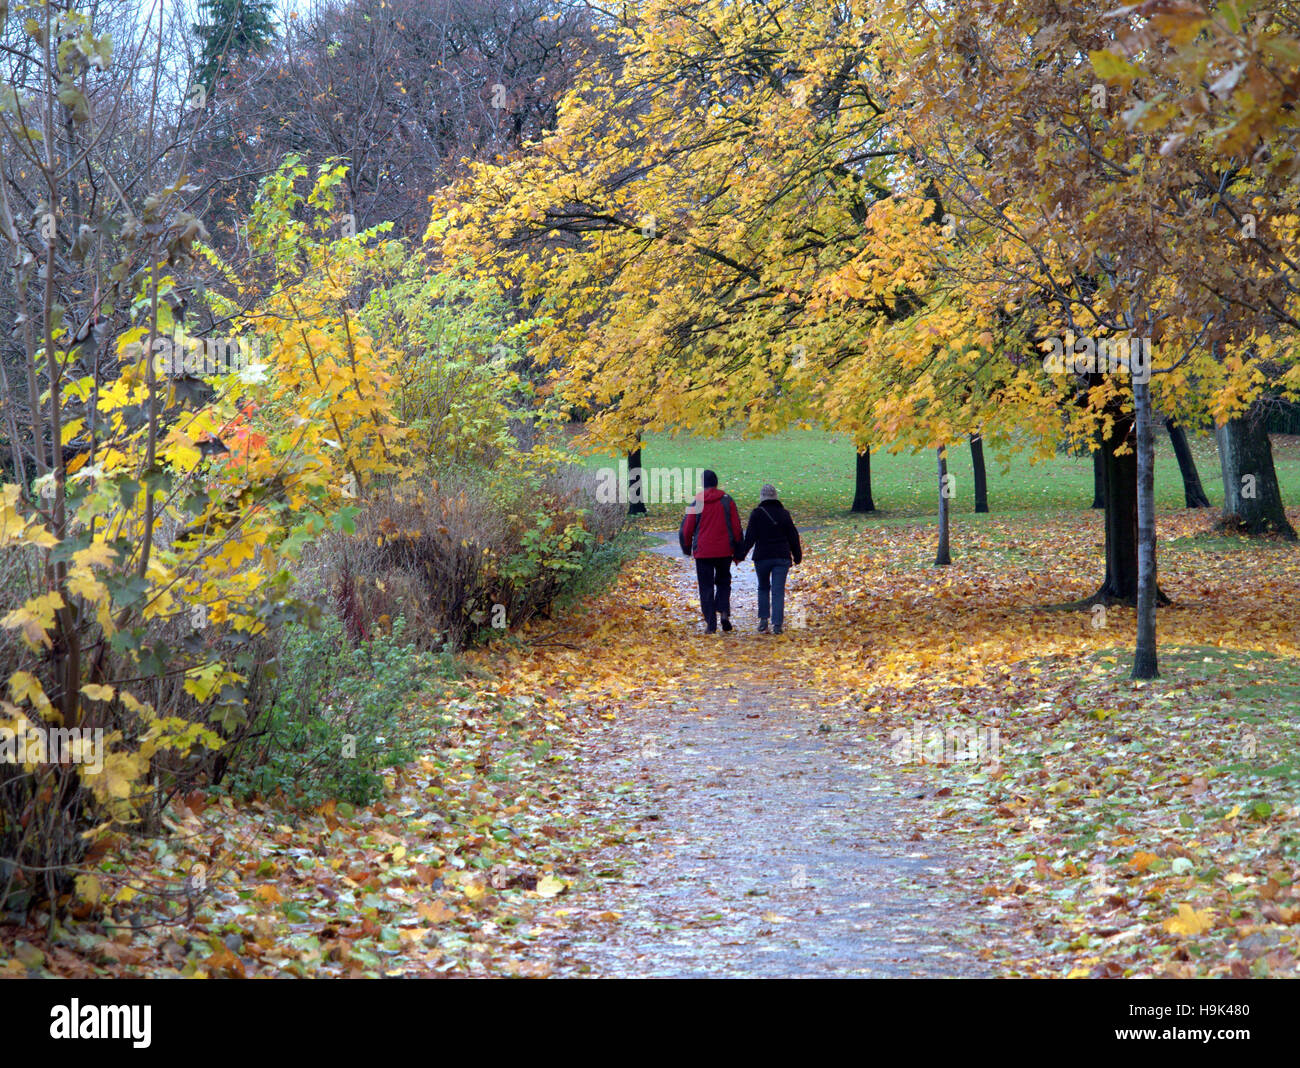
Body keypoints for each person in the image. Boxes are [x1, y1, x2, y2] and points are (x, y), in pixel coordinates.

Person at [679, 469, 744, 633]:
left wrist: (686, 547)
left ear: (703, 483)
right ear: (716, 482)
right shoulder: (727, 500)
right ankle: (723, 612)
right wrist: (738, 546)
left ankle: (711, 623)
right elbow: (736, 526)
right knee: (723, 582)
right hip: (724, 550)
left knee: (706, 586)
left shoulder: (696, 502)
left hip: (703, 552)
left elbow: (687, 528)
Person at [740, 483, 803, 634]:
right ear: (776, 497)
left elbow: (750, 538)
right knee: (778, 590)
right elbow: (793, 536)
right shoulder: (784, 514)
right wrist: (797, 555)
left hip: (762, 557)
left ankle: (763, 620)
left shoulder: (757, 513)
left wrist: (740, 555)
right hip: (781, 556)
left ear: (762, 497)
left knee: (763, 587)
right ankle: (777, 624)